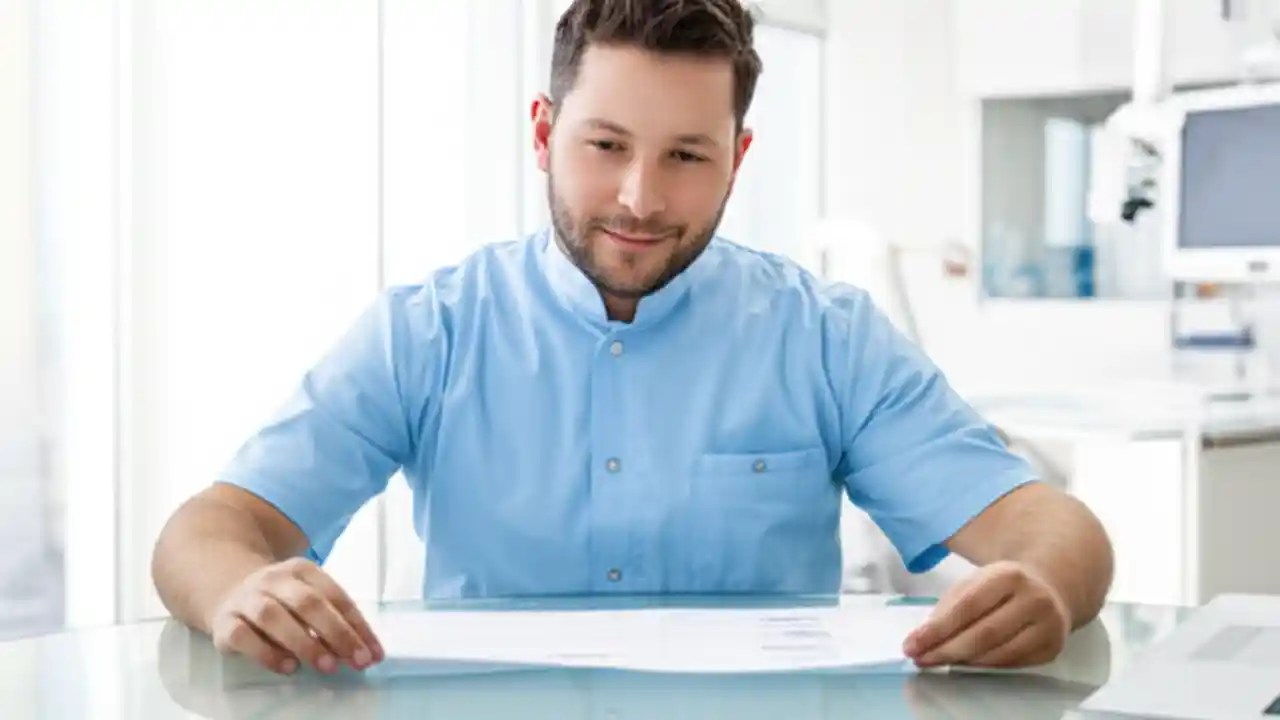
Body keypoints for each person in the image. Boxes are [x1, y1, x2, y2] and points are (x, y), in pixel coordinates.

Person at [152, 0, 1113, 678]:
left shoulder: (827, 338)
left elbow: (1054, 530)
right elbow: (205, 533)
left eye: (687, 156)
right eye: (605, 145)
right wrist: (240, 589)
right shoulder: (428, 331)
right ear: (543, 134)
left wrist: (1045, 586)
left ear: (737, 158)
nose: (641, 199)